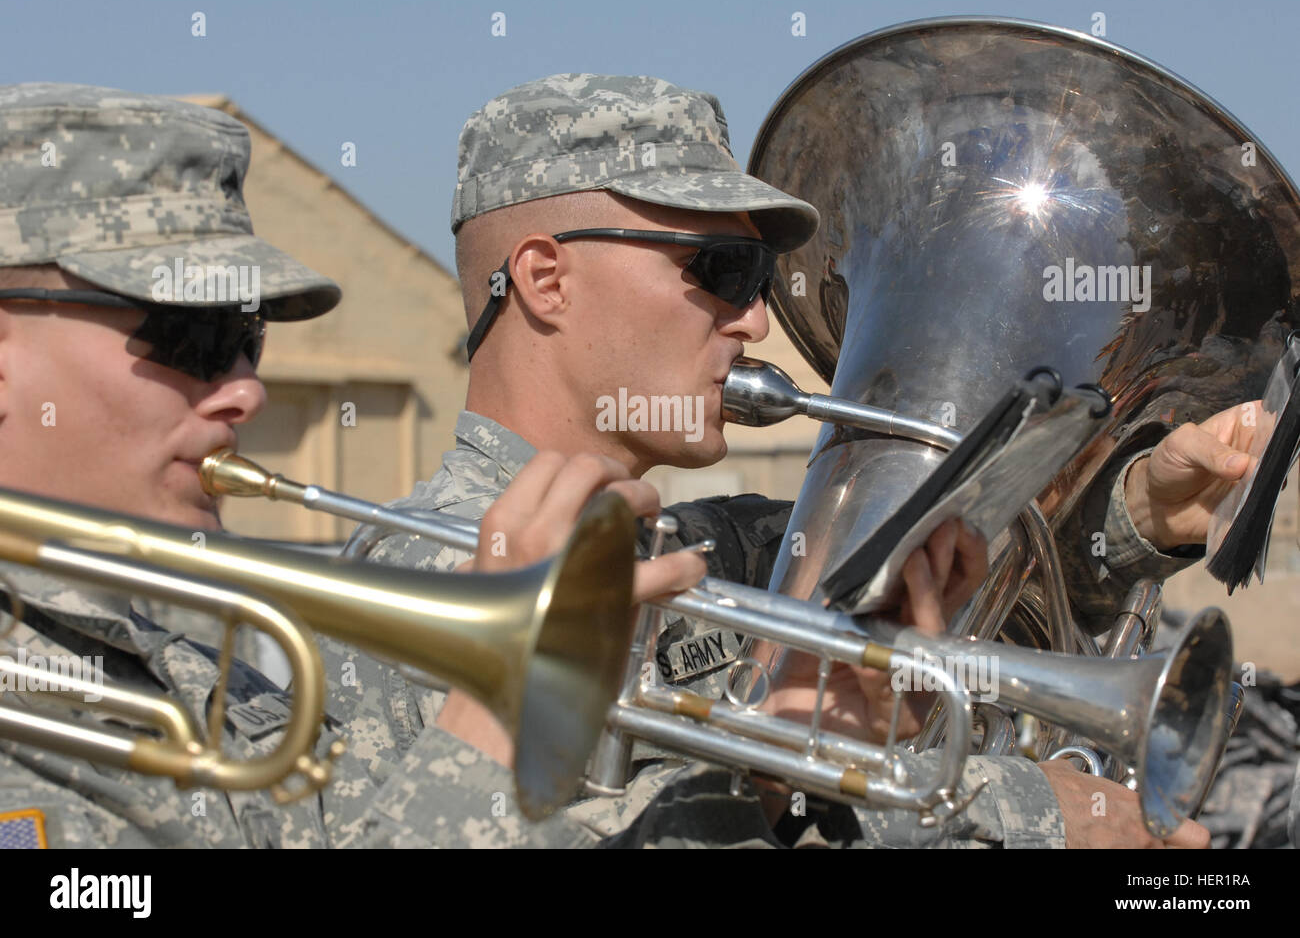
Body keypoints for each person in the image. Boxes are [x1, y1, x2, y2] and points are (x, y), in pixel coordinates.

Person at [365, 73, 1260, 849]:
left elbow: (991, 608)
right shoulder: (429, 578)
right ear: (544, 278)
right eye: (723, 266)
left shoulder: (730, 546)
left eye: (760, 280)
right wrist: (1030, 816)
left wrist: (1135, 516)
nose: (756, 319)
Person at [0, 82, 695, 849]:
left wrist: (763, 783)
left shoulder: (182, 654)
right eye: (189, 335)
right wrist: (492, 712)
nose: (247, 390)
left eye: (246, 338)